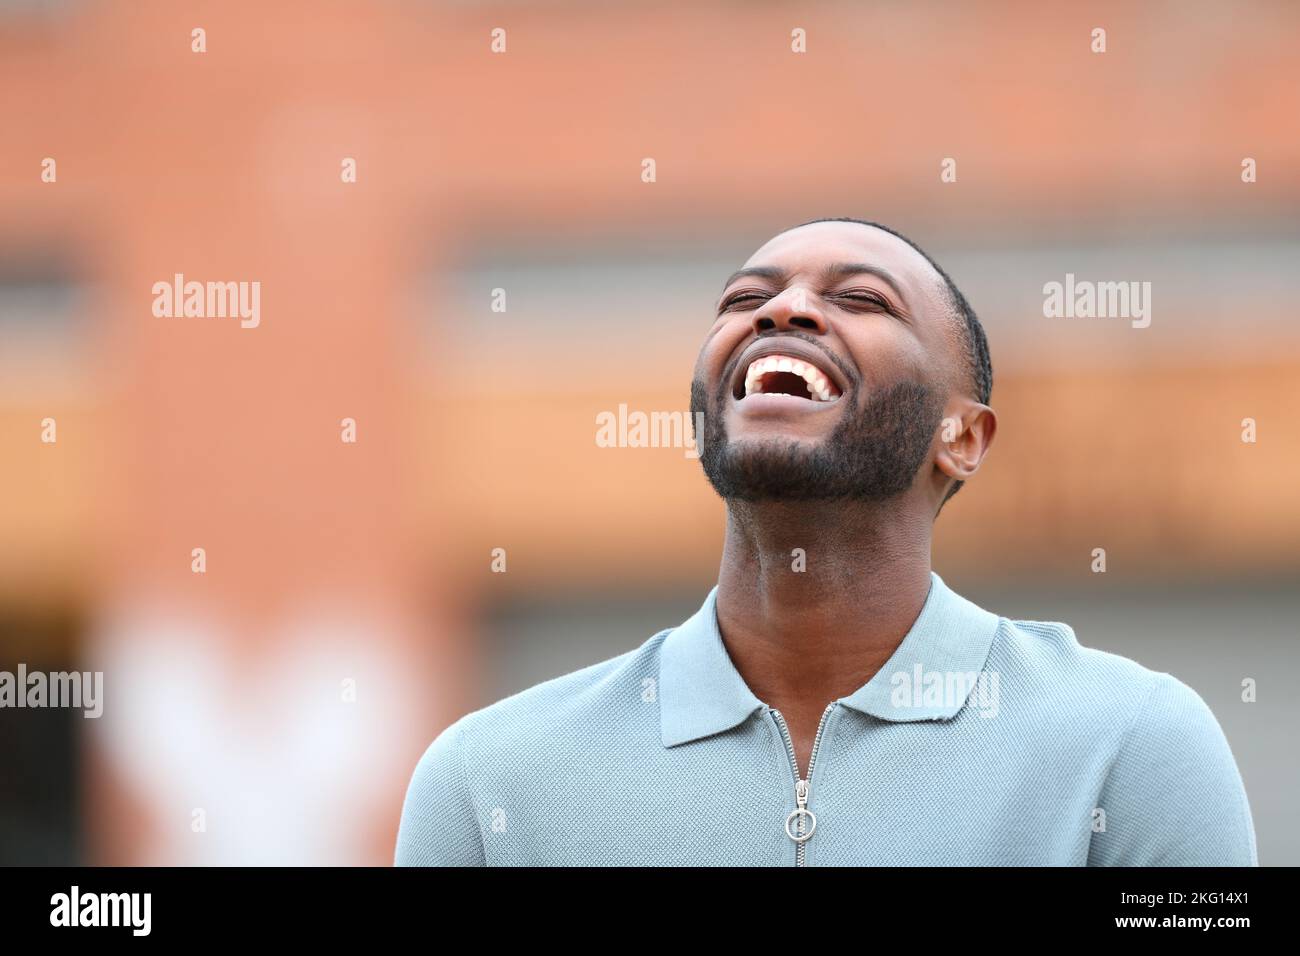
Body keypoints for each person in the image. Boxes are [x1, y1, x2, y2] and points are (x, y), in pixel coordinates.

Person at [394, 218, 1257, 866]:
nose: (785, 309)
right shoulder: (488, 783)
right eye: (743, 300)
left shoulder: (1130, 744)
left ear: (963, 436)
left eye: (861, 300)